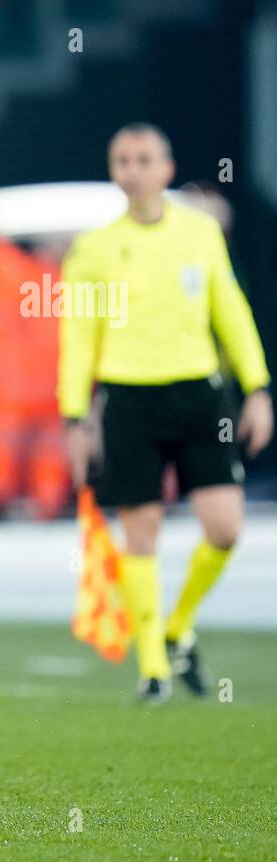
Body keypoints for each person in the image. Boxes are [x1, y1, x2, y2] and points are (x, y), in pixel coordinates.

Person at [59, 123, 273, 703]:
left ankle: (178, 625)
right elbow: (78, 334)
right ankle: (152, 667)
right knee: (142, 531)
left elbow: (230, 309)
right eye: (122, 159)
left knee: (225, 530)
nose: (132, 169)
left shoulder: (200, 234)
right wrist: (74, 416)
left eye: (143, 159)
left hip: (198, 393)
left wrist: (256, 386)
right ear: (114, 170)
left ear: (167, 169)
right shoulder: (94, 247)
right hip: (129, 397)